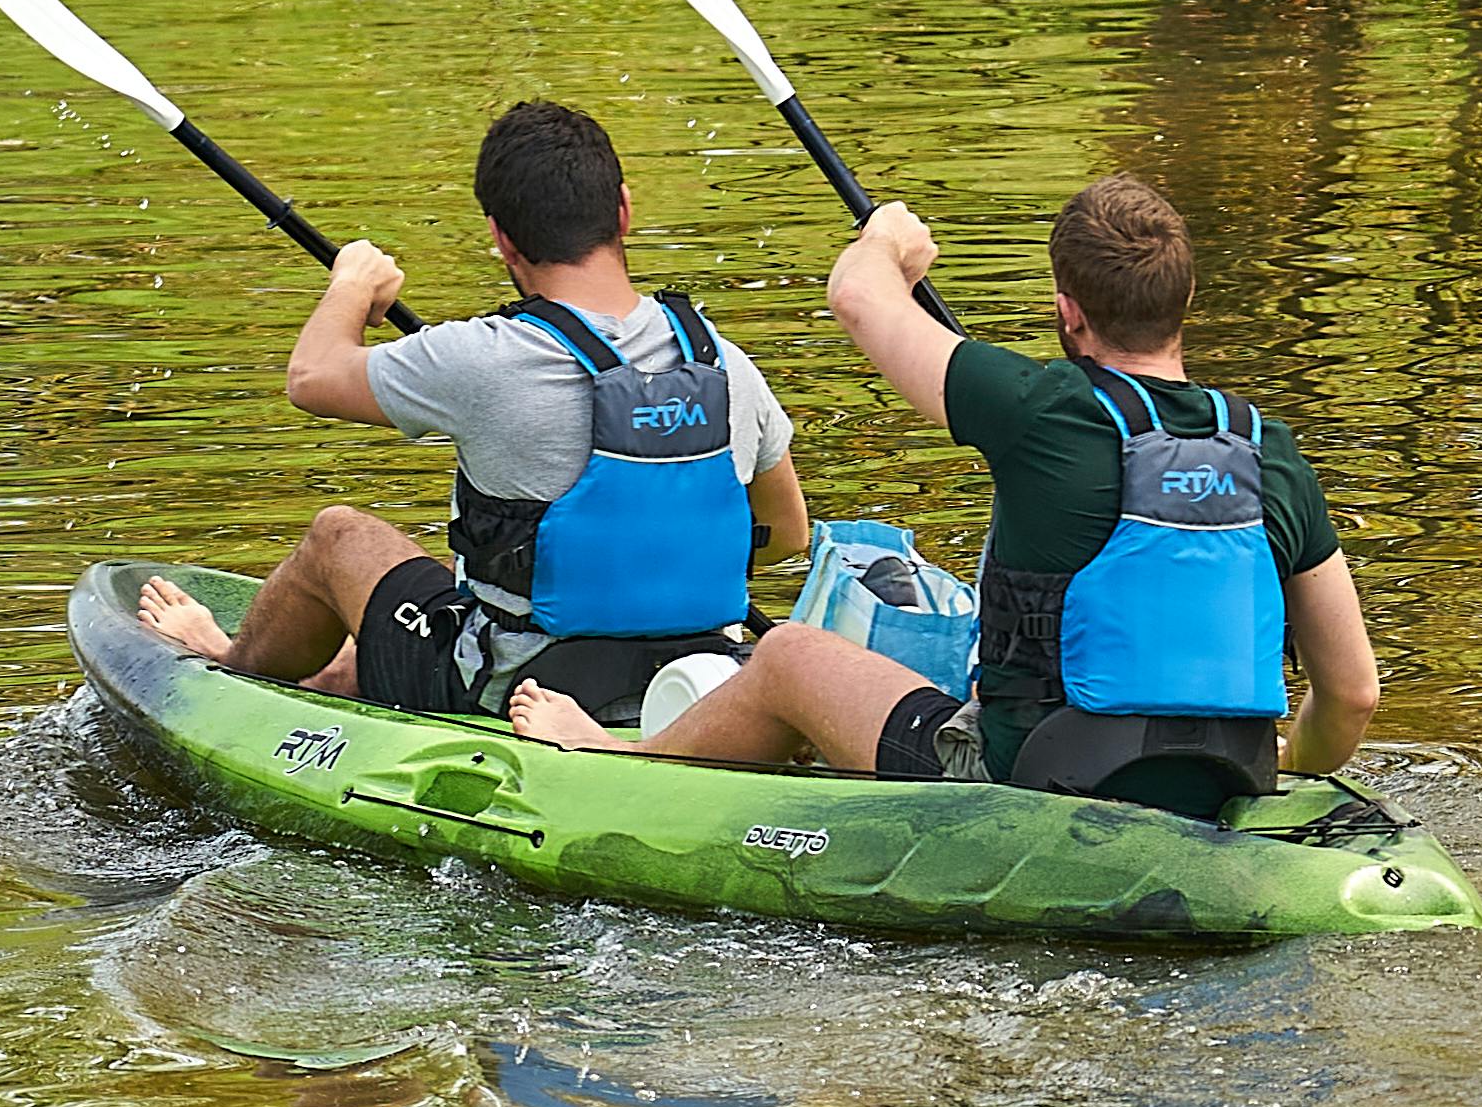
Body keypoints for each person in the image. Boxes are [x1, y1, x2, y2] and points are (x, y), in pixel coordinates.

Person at [513, 166, 1378, 810]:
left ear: (1067, 310)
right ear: (1184, 302)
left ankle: (609, 758)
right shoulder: (1272, 452)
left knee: (788, 657)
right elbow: (1352, 694)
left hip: (1035, 778)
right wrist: (1291, 762)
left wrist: (890, 242)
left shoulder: (1039, 408)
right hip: (1231, 772)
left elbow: (858, 296)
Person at [133, 99, 922, 746]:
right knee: (404, 622)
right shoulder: (724, 363)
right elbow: (785, 533)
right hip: (706, 677)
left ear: (502, 240)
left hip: (523, 690)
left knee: (341, 536)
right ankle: (342, 670)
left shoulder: (478, 358)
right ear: (624, 211)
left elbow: (311, 377)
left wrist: (352, 284)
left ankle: (229, 660)